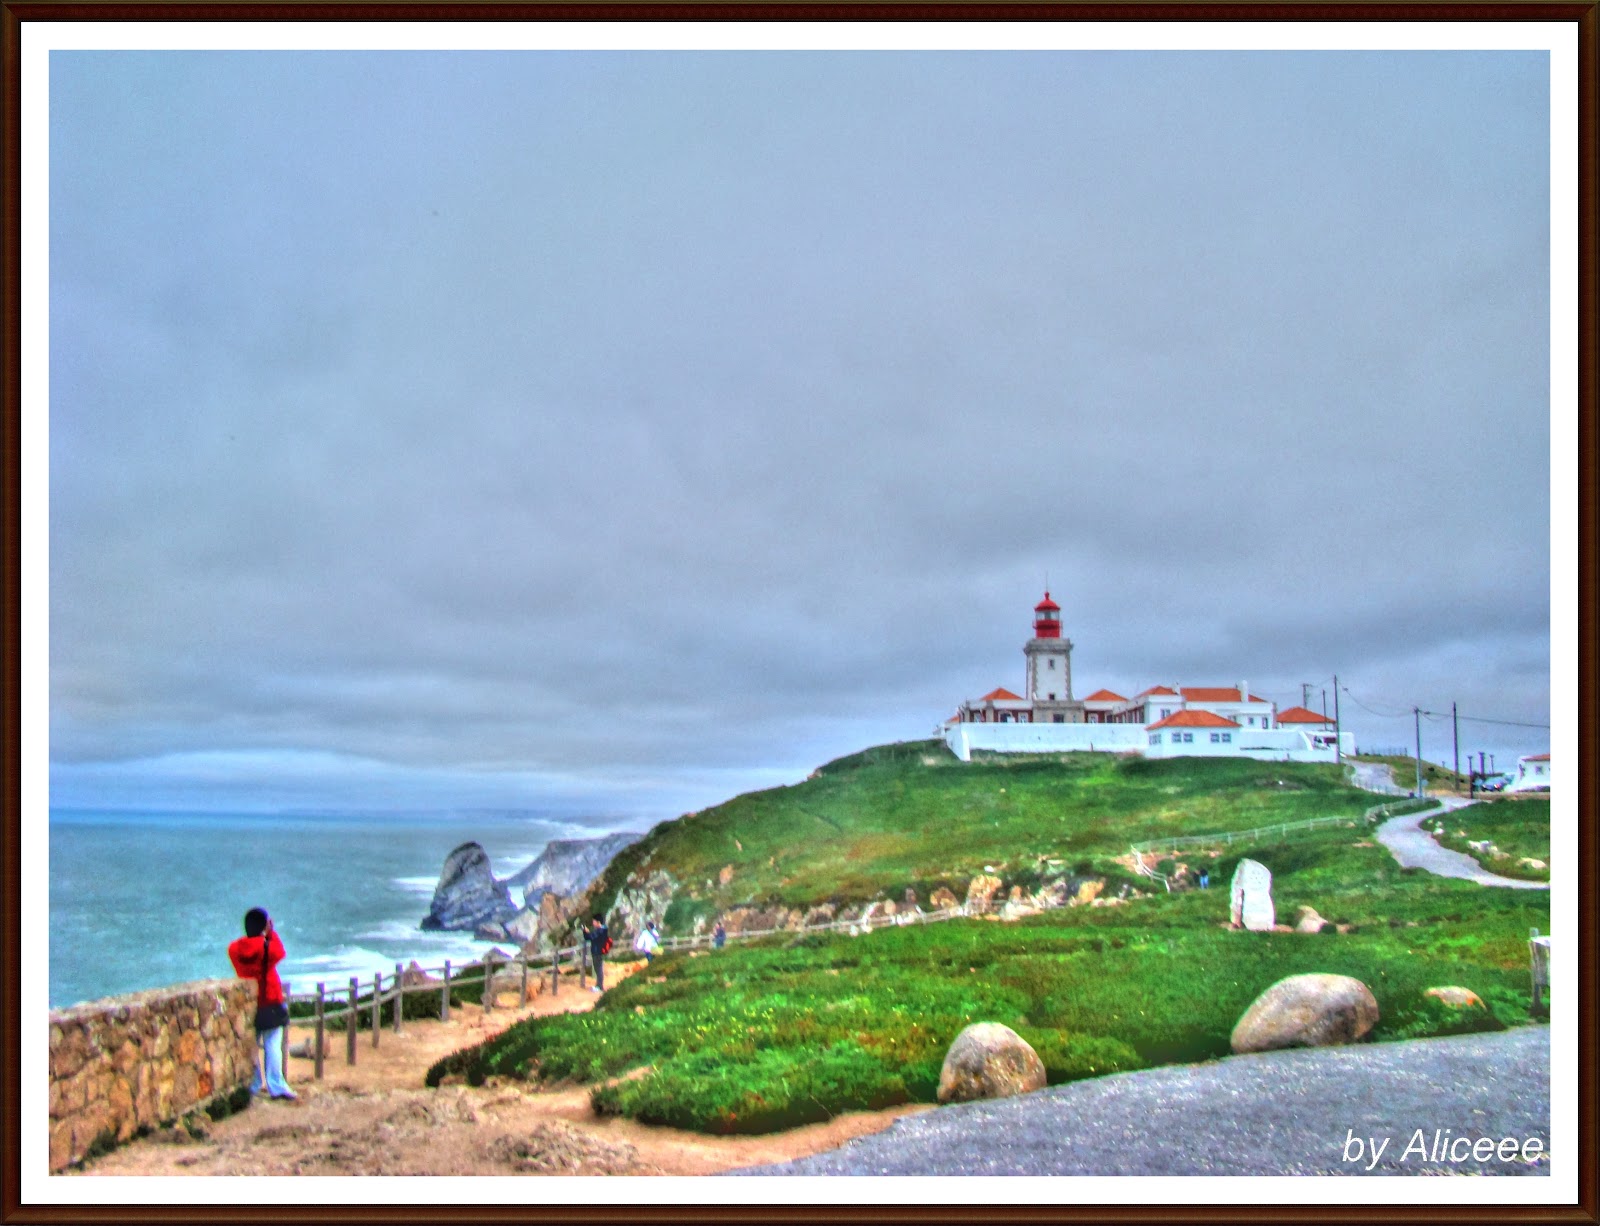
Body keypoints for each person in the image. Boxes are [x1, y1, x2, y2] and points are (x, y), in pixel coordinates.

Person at [227, 907, 298, 1101]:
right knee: (273, 1045)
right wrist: (271, 933)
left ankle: (254, 1083)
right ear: (264, 926)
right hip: (271, 1001)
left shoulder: (235, 949)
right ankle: (276, 1086)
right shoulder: (267, 948)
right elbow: (280, 952)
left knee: (251, 1047)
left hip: (249, 1005)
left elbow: (235, 950)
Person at [586, 915, 610, 993]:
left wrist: (586, 932)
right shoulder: (603, 930)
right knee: (598, 969)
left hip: (597, 951)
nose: (593, 923)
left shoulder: (600, 931)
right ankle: (598, 985)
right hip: (599, 951)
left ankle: (600, 987)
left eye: (594, 921)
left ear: (598, 922)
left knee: (598, 969)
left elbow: (591, 937)